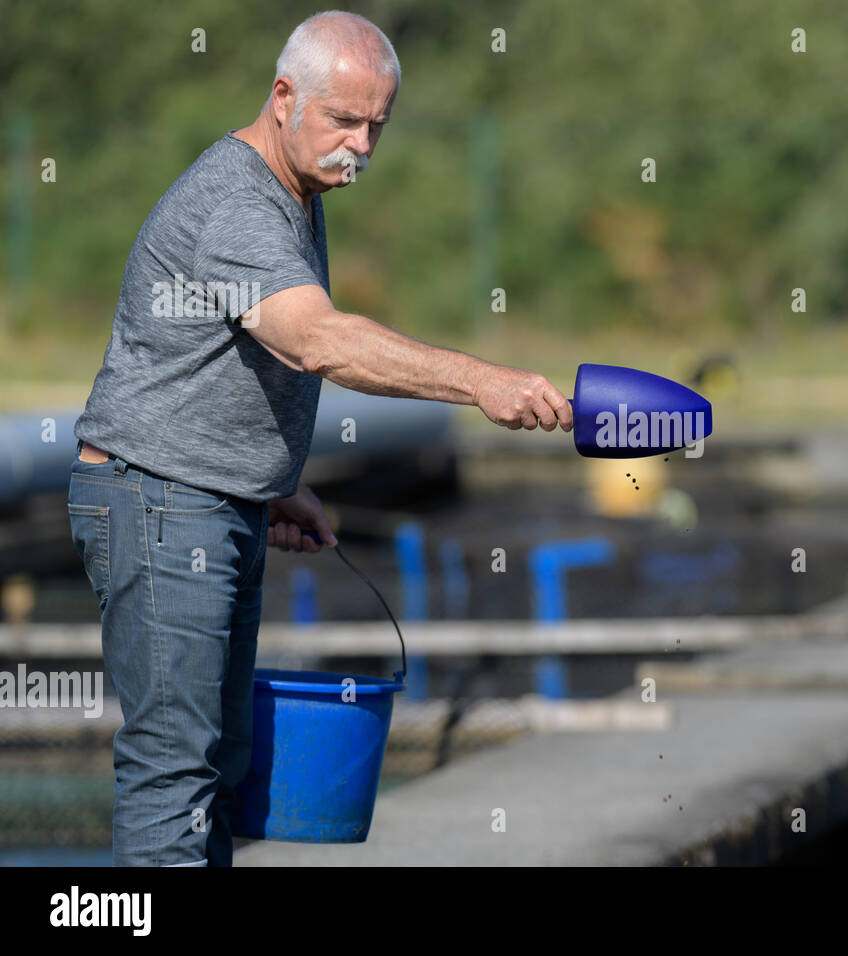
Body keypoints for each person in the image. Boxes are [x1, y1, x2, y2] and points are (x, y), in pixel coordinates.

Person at [67, 11, 572, 866]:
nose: (362, 147)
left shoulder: (295, 188)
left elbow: (217, 360)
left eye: (378, 125)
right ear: (283, 96)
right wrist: (482, 381)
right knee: (173, 773)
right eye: (344, 120)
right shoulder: (237, 202)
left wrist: (268, 482)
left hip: (206, 497)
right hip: (155, 503)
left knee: (221, 765)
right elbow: (316, 339)